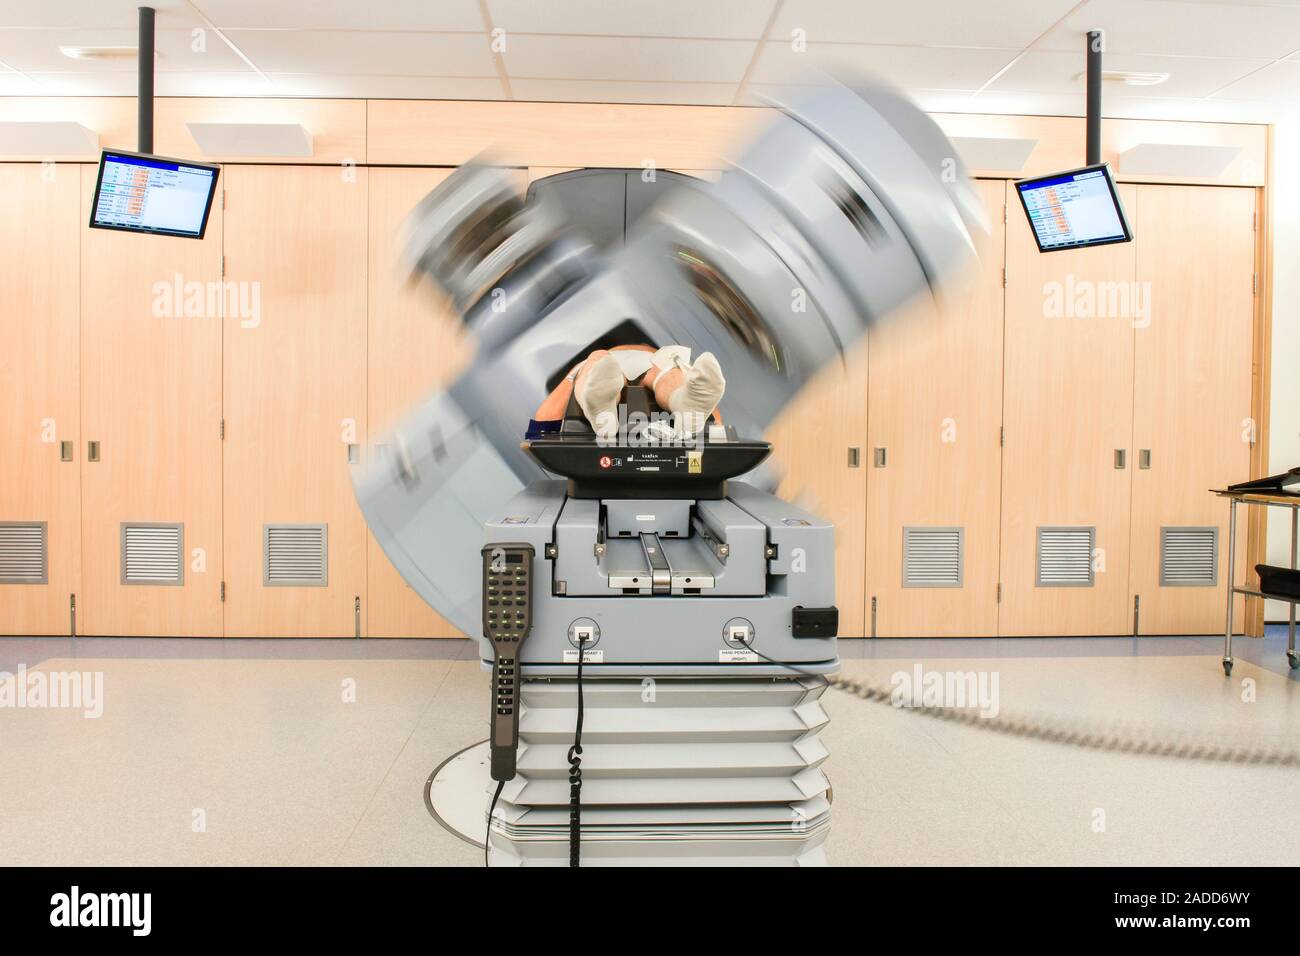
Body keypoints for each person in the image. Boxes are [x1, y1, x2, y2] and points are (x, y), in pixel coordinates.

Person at [529, 344, 725, 441]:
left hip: (607, 362)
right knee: (670, 377)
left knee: (595, 366)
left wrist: (543, 427)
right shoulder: (658, 352)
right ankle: (684, 404)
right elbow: (716, 422)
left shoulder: (600, 355)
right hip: (654, 364)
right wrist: (714, 423)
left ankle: (602, 412)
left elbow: (544, 420)